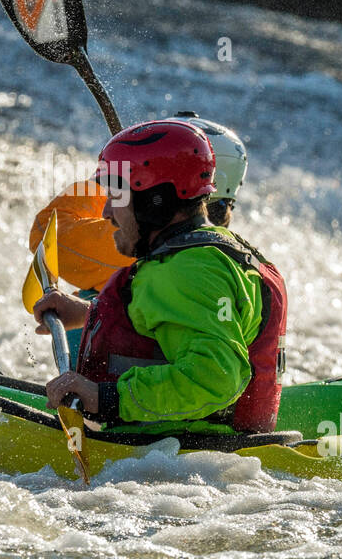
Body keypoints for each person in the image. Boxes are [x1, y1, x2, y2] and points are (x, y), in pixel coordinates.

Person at [32, 119, 287, 434]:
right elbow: (179, 323)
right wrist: (88, 313)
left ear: (156, 200)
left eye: (117, 197)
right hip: (187, 448)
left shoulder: (187, 270)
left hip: (177, 455)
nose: (106, 212)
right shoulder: (223, 254)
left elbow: (216, 377)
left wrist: (104, 398)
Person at [27, 111, 250, 355]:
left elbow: (45, 231)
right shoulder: (226, 251)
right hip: (176, 374)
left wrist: (108, 180)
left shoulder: (135, 242)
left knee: (94, 293)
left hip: (122, 387)